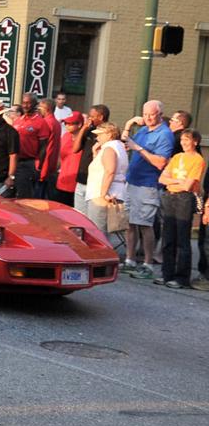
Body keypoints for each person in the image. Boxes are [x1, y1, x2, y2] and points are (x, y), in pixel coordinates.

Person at [121, 100, 174, 279]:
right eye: (145, 114)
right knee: (129, 223)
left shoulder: (165, 134)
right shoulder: (143, 130)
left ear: (160, 114)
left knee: (145, 224)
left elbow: (160, 162)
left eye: (151, 114)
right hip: (132, 180)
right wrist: (129, 124)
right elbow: (125, 142)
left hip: (148, 184)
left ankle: (148, 263)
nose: (148, 118)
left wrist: (138, 148)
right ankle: (130, 259)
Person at [156, 129, 204, 289]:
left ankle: (182, 278)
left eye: (187, 139)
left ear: (195, 142)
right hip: (170, 196)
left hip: (185, 198)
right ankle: (166, 274)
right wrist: (177, 181)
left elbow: (188, 185)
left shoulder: (198, 160)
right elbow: (162, 178)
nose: (183, 142)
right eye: (182, 139)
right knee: (168, 237)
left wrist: (172, 181)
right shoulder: (177, 157)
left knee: (182, 239)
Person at [86, 122, 128, 256]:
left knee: (98, 231)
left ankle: (100, 259)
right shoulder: (117, 147)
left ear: (109, 134)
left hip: (102, 194)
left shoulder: (109, 148)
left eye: (100, 135)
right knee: (101, 231)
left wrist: (103, 193)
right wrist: (95, 153)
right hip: (111, 191)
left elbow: (110, 171)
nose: (97, 138)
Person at [73, 104, 110, 214]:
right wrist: (84, 128)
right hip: (82, 178)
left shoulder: (108, 134)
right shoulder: (89, 130)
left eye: (92, 116)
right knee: (79, 215)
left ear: (101, 117)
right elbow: (75, 149)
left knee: (92, 217)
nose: (90, 119)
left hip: (95, 182)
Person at [11, 93, 48, 200]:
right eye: (23, 103)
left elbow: (43, 147)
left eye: (28, 103)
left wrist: (38, 165)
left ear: (35, 104)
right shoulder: (18, 120)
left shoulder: (41, 122)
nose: (25, 105)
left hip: (28, 164)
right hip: (14, 162)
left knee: (24, 197)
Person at [54, 112, 84, 206]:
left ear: (79, 124)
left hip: (77, 184)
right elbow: (60, 156)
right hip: (62, 179)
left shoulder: (86, 139)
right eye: (65, 123)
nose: (67, 126)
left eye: (70, 124)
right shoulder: (66, 136)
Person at [37, 98, 62, 200]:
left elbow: (44, 147)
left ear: (46, 109)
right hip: (51, 165)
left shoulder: (46, 123)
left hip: (43, 165)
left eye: (40, 108)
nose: (38, 110)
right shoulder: (56, 123)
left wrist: (39, 166)